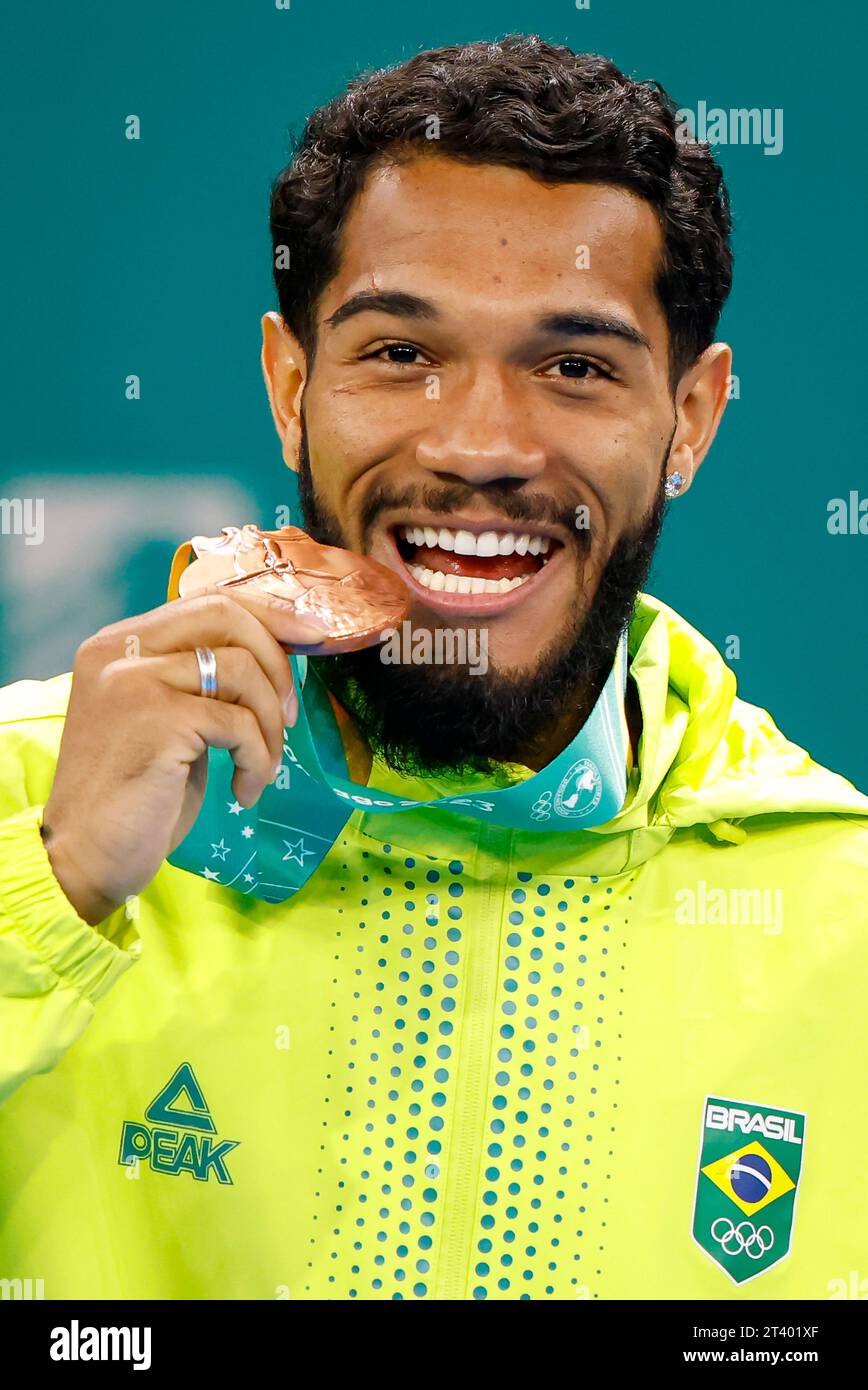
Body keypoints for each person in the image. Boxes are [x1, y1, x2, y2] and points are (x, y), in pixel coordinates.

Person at [0, 35, 865, 1302]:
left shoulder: (841, 916)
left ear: (689, 415)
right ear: (291, 386)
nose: (479, 445)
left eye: (573, 367)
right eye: (401, 353)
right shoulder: (31, 802)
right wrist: (52, 895)